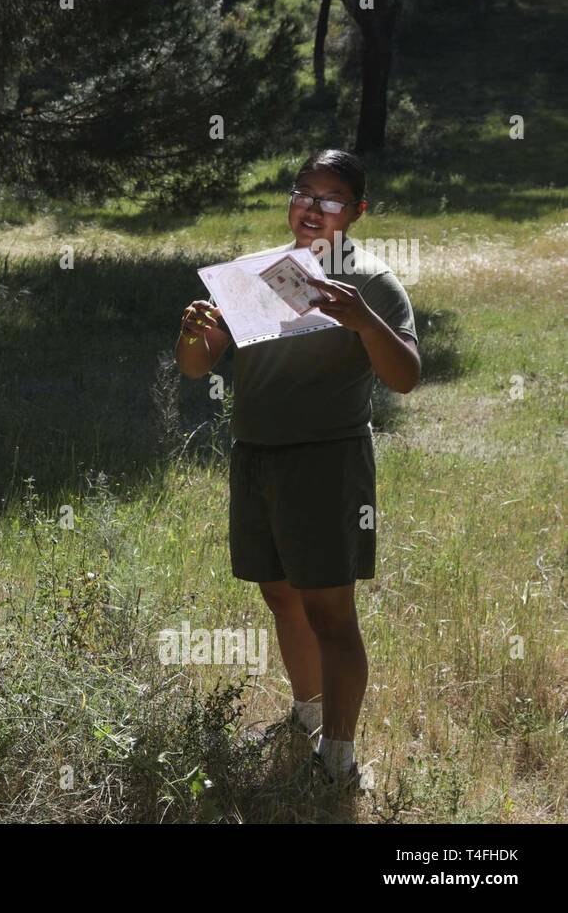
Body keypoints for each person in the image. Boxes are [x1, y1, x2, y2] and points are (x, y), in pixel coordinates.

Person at [175, 149, 421, 791]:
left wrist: (363, 321)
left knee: (332, 613)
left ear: (358, 213)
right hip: (255, 456)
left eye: (331, 198)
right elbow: (198, 366)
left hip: (326, 461)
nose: (312, 208)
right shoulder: (257, 274)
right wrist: (197, 333)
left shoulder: (372, 282)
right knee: (279, 592)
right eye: (303, 192)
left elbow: (406, 377)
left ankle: (339, 759)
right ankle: (306, 716)